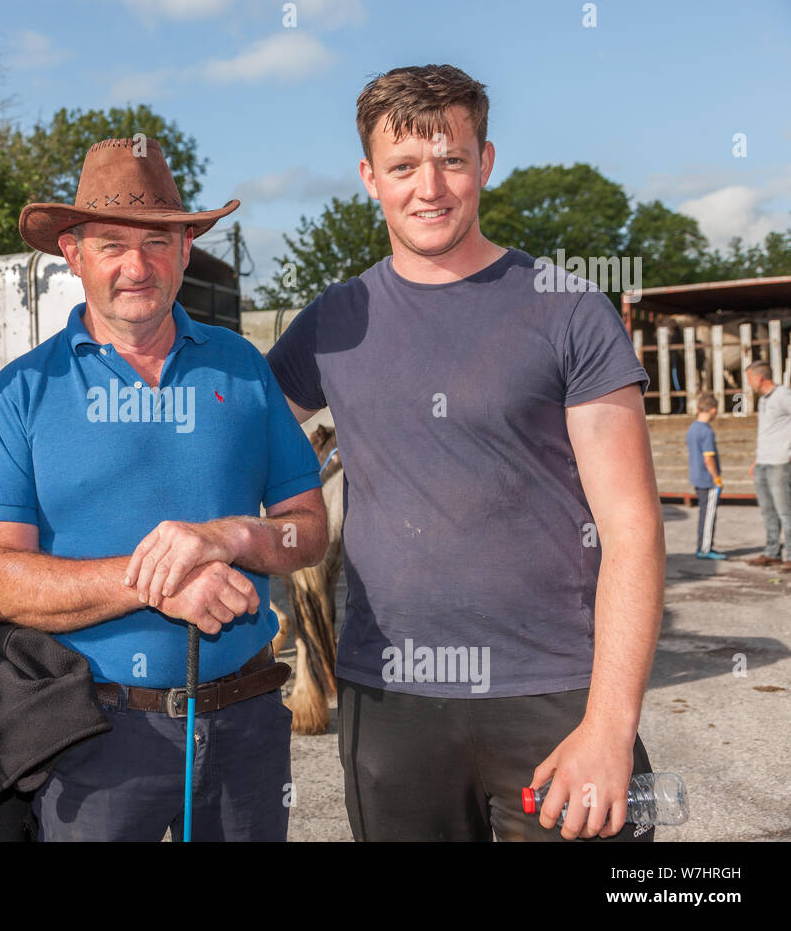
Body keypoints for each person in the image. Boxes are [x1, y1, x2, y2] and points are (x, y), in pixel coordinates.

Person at [267, 64, 664, 842]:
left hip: (555, 696)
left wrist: (611, 727)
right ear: (369, 178)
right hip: (390, 702)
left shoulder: (569, 309)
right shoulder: (333, 323)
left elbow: (633, 528)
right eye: (404, 166)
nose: (430, 186)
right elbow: (230, 432)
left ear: (485, 162)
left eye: (451, 158)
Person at [0, 137, 327, 841]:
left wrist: (230, 537)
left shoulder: (242, 367)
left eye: (158, 241)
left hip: (246, 724)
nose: (138, 267)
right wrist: (163, 583)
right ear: (72, 254)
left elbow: (308, 529)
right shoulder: (21, 393)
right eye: (110, 244)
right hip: (92, 740)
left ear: (186, 249)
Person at [743, 361, 791, 570]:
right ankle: (772, 552)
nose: (748, 383)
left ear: (760, 378)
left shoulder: (783, 396)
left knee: (785, 511)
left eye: (749, 378)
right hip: (763, 463)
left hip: (780, 462)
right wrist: (757, 460)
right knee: (768, 512)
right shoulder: (763, 400)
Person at [687, 393, 726, 560]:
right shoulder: (707, 431)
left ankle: (703, 546)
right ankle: (704, 548)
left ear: (697, 409)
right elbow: (708, 458)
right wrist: (717, 478)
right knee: (709, 515)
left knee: (704, 513)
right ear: (713, 410)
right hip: (707, 480)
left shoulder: (693, 428)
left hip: (697, 477)